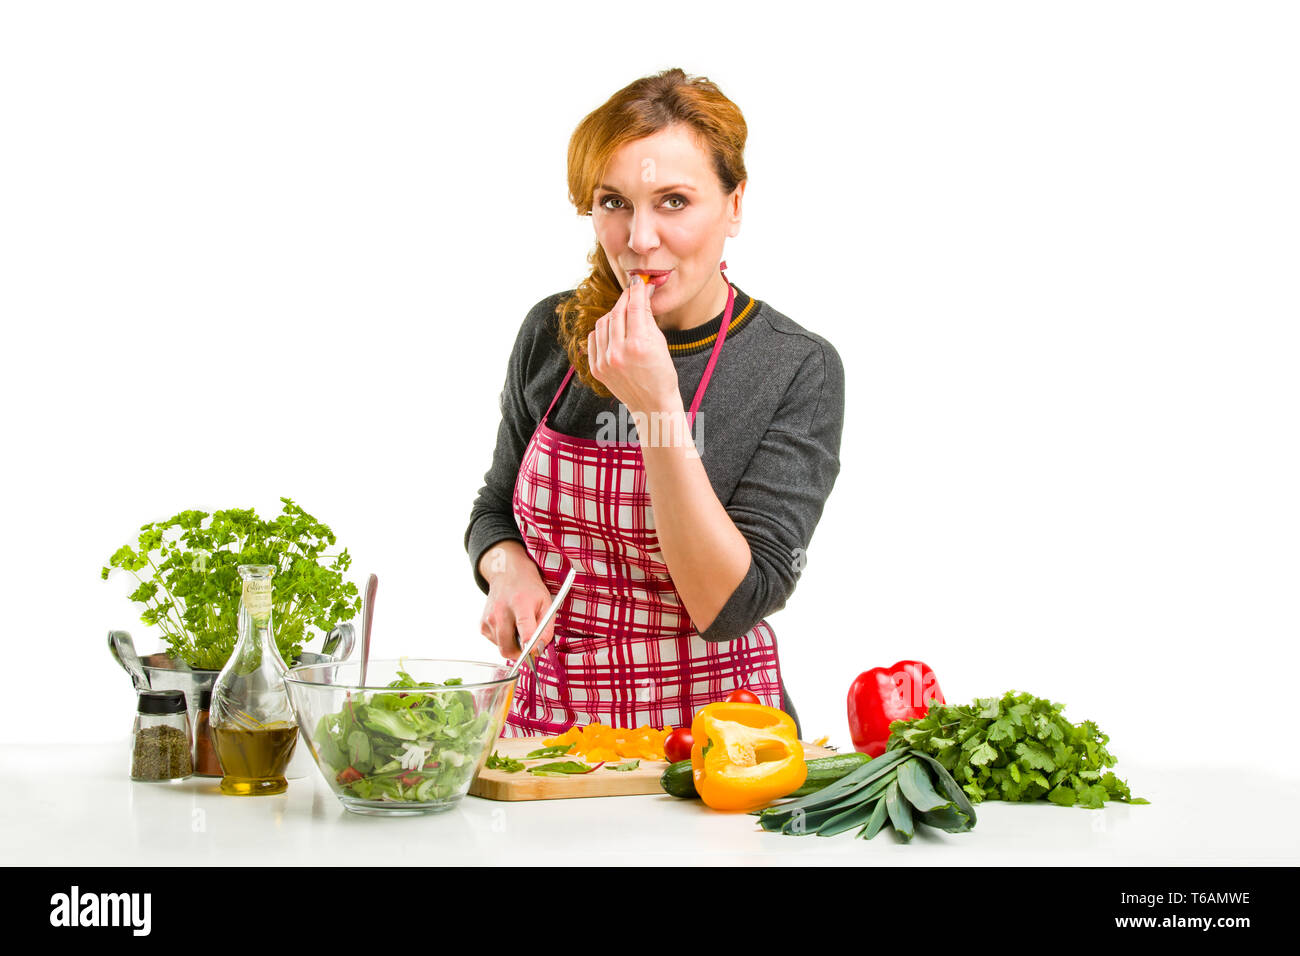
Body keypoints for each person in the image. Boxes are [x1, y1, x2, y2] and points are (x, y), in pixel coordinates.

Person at [465, 67, 844, 739]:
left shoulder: (795, 368)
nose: (639, 239)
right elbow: (495, 510)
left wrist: (656, 406)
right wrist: (507, 568)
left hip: (717, 760)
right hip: (549, 748)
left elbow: (729, 606)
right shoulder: (550, 333)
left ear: (734, 204)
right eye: (614, 202)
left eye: (673, 201)